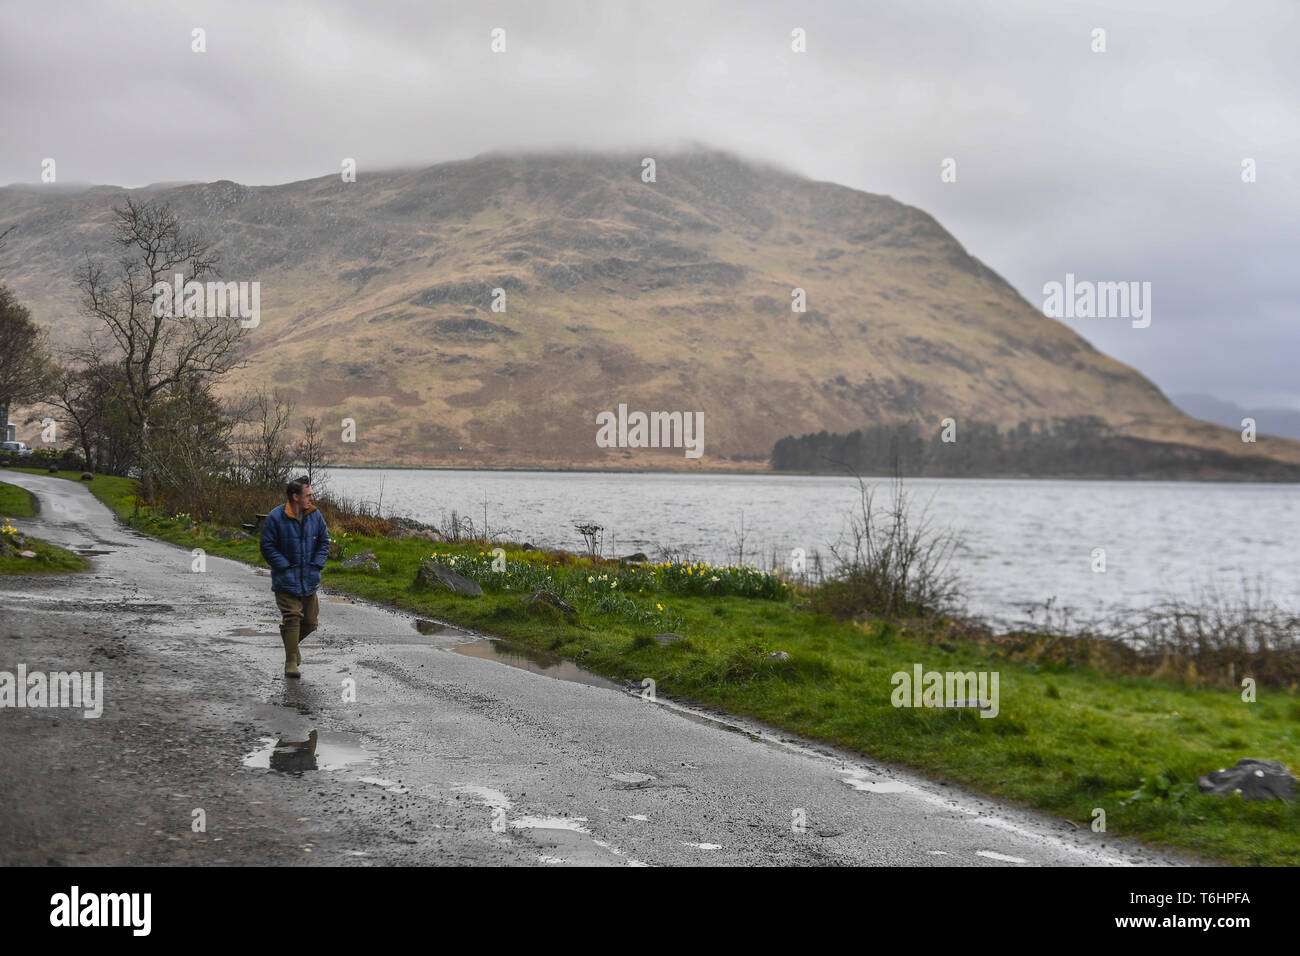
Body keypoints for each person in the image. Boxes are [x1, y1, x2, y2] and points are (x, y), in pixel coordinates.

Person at [259, 476, 330, 678]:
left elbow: (324, 541)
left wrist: (316, 565)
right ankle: (291, 662)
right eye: (308, 495)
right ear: (295, 496)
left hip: (309, 578)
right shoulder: (276, 517)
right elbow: (267, 546)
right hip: (286, 580)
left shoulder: (316, 516)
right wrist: (284, 566)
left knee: (310, 623)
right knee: (292, 617)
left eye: (312, 494)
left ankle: (290, 642)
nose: (312, 498)